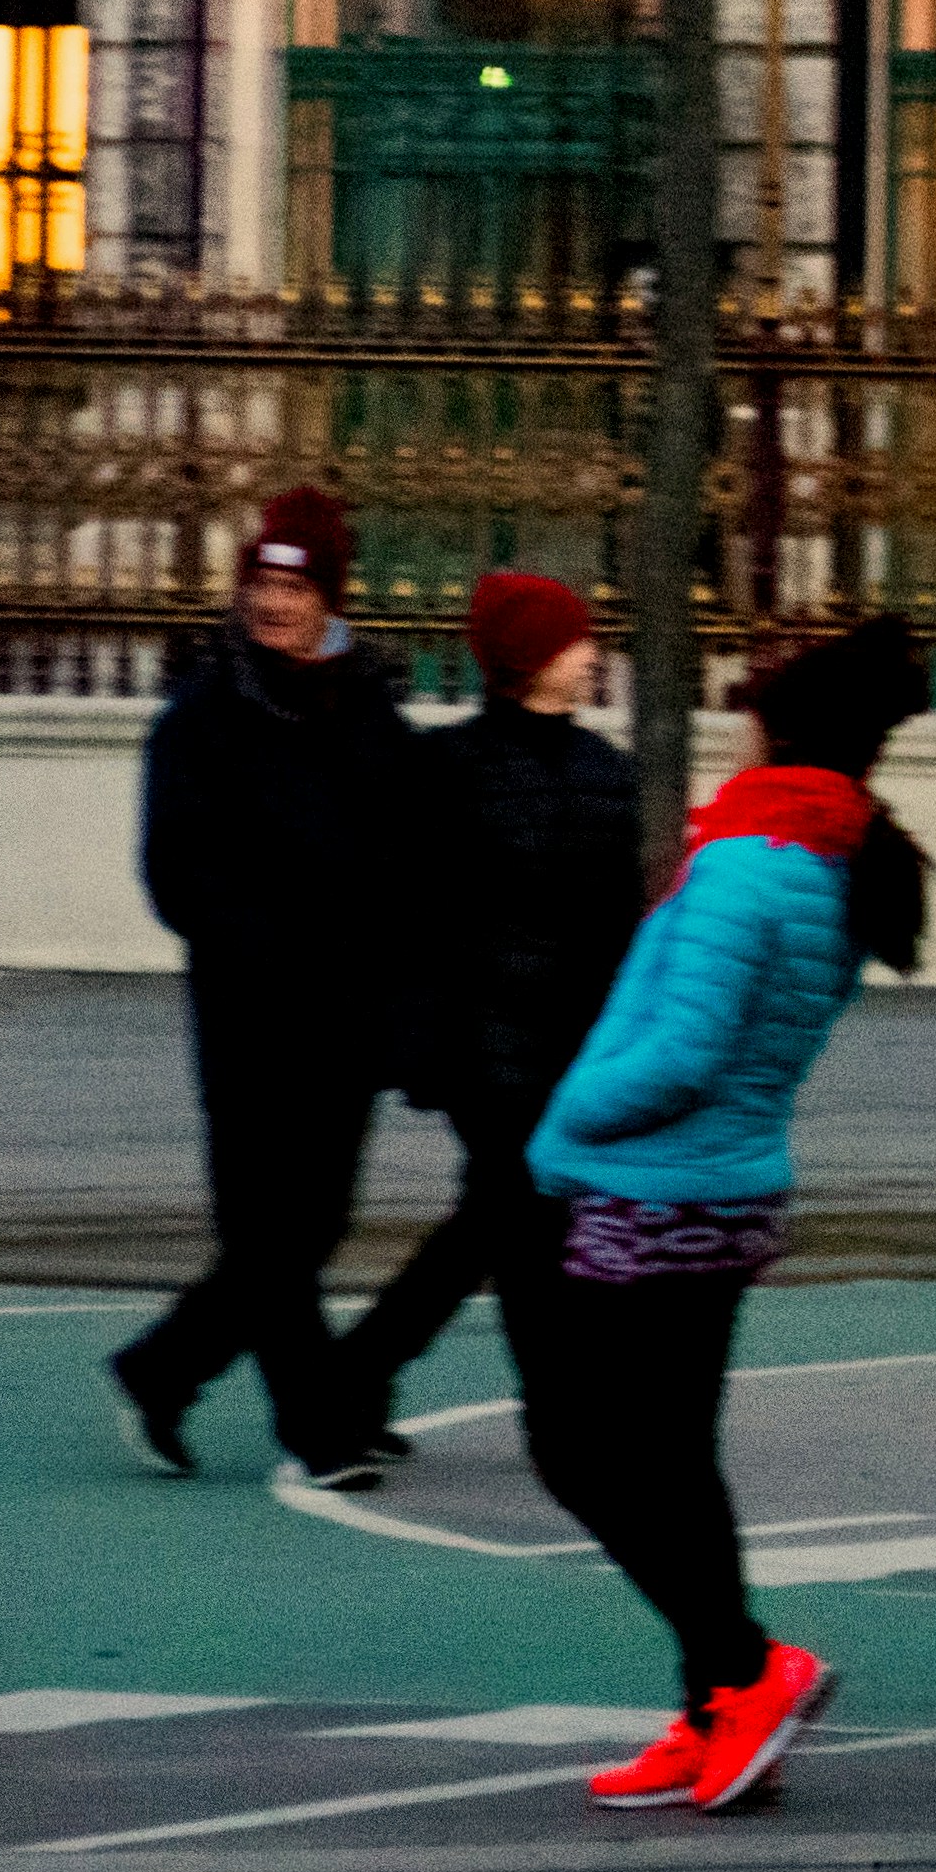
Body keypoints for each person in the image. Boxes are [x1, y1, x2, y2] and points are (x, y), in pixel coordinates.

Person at [515, 619, 933, 1816]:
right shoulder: (831, 859)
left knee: (579, 1445)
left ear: (774, 728)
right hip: (725, 1187)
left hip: (656, 1190)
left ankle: (748, 1667)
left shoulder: (753, 861)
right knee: (670, 1458)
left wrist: (567, 1115)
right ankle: (716, 1708)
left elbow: (685, 1048)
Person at [111, 487, 414, 1489]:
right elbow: (176, 871)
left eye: (294, 584)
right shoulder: (205, 711)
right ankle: (320, 1430)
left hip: (349, 1016)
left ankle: (163, 1367)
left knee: (312, 1225)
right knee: (271, 1235)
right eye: (261, 582)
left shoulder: (369, 704)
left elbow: (402, 855)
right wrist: (265, 947)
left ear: (330, 594)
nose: (274, 602)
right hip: (248, 1015)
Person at [335, 574, 641, 1437]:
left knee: (497, 1221)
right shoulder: (450, 768)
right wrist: (427, 1045)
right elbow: (418, 917)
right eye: (576, 640)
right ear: (534, 656)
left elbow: (618, 920)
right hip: (484, 1045)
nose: (592, 654)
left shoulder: (605, 770)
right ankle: (560, 1409)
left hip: (572, 1044)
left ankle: (356, 1370)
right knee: (525, 1223)